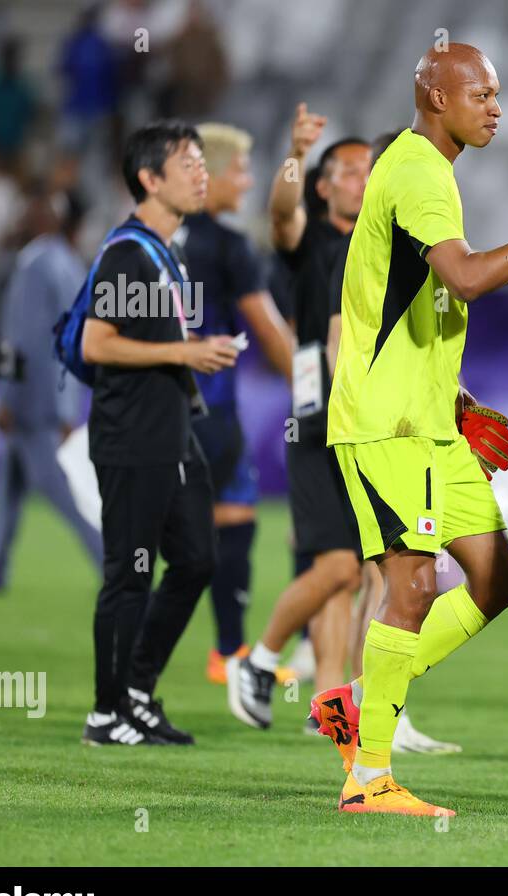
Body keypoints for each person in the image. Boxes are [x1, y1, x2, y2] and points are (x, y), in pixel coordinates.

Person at [321, 42, 508, 816]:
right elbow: (464, 276)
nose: (496, 106)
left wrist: (457, 402)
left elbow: (424, 298)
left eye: (498, 94)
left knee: (498, 580)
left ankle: (363, 700)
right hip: (385, 426)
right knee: (413, 585)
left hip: (431, 424)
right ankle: (368, 778)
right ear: (436, 94)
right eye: (482, 93)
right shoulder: (419, 171)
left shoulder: (431, 173)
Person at [81, 120, 240, 746]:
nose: (202, 171)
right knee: (128, 573)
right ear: (149, 179)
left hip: (173, 434)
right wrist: (183, 356)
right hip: (131, 437)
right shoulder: (128, 251)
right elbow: (98, 343)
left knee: (198, 557)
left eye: (203, 161)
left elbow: (149, 340)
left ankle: (137, 691)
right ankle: (104, 712)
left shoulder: (165, 252)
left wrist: (191, 349)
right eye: (187, 162)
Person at [226, 108, 370, 730]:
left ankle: (330, 706)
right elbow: (280, 213)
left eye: (372, 170)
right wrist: (295, 152)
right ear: (324, 183)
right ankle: (258, 661)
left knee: (349, 571)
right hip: (317, 416)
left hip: (363, 417)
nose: (365, 181)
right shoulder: (311, 238)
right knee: (339, 566)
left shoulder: (376, 241)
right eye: (352, 172)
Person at [180, 122, 293, 685]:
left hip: (153, 413)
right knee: (235, 517)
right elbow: (272, 341)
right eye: (241, 170)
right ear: (213, 175)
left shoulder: (148, 238)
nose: (248, 181)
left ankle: (128, 684)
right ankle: (228, 652)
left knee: (150, 546)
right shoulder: (229, 247)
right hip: (213, 413)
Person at [0, 187, 103, 591]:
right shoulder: (72, 265)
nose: (29, 212)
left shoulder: (36, 263)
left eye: (39, 207)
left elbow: (26, 340)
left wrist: (9, 399)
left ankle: (115, 566)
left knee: (63, 494)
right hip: (52, 398)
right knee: (8, 490)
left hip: (34, 404)